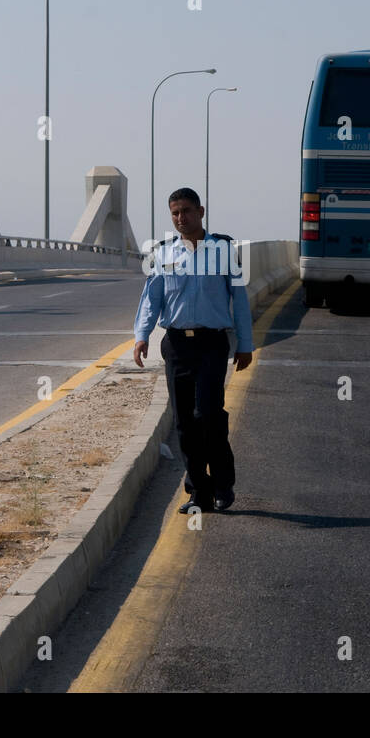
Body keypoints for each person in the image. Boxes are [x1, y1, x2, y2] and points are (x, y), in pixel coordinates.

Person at [133, 188, 253, 513]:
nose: (180, 218)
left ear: (201, 211)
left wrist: (246, 343)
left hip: (212, 344)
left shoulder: (224, 251)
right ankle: (199, 492)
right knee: (185, 422)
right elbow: (151, 299)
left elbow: (239, 300)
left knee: (209, 415)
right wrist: (141, 335)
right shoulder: (163, 254)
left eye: (186, 210)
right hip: (176, 345)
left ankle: (223, 484)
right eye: (174, 213)